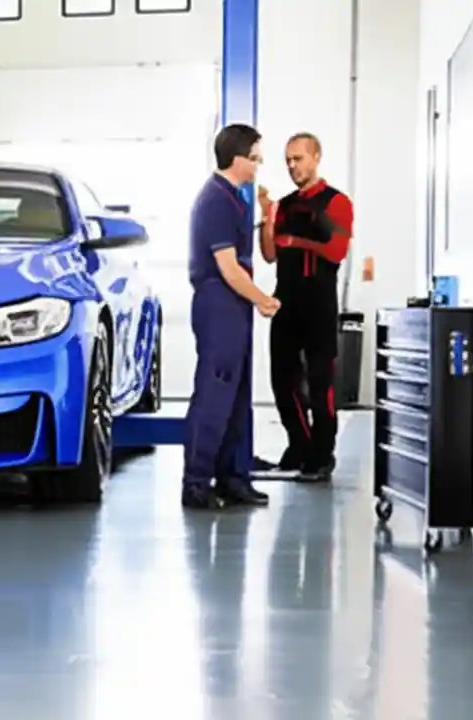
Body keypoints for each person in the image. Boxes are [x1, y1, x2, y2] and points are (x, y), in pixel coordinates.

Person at [181, 123, 280, 510]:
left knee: (237, 396)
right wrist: (262, 299)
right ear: (237, 157)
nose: (258, 165)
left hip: (233, 304)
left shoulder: (235, 198)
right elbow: (228, 267)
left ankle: (232, 477)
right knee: (215, 393)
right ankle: (196, 483)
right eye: (254, 158)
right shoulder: (215, 201)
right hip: (219, 302)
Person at [256, 132, 354, 481]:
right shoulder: (282, 205)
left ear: (316, 157)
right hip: (286, 300)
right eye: (288, 160)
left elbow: (336, 250)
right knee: (282, 380)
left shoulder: (336, 202)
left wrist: (294, 240)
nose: (292, 166)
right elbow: (269, 254)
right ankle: (299, 445)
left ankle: (322, 454)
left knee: (320, 381)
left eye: (298, 158)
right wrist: (267, 218)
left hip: (319, 303)